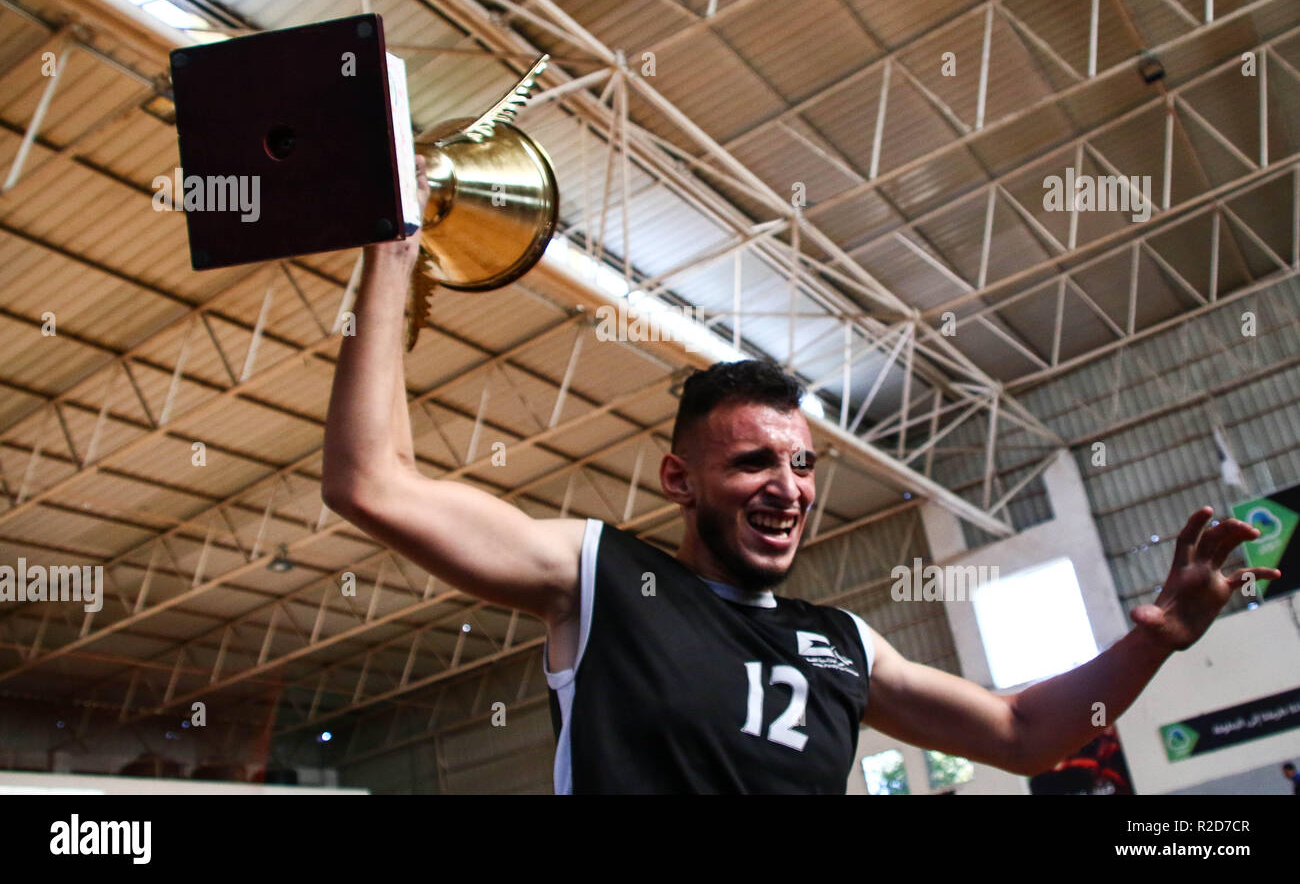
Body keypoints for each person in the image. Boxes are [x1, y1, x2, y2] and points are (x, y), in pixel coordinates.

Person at [321, 234, 1280, 794]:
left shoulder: (844, 646)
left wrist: (1154, 639)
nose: (788, 486)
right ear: (679, 480)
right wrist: (393, 255)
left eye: (802, 463)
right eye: (752, 463)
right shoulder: (601, 578)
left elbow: (1023, 733)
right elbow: (372, 481)